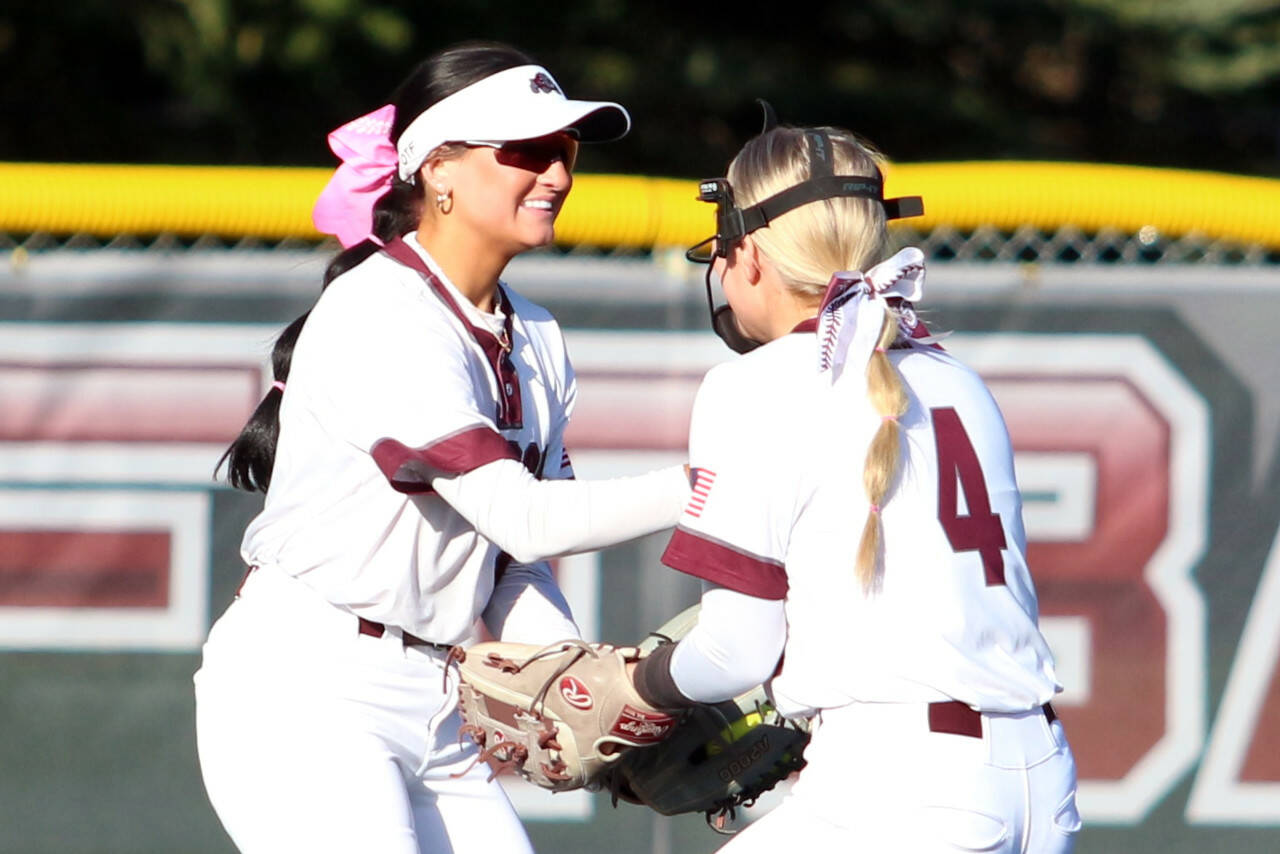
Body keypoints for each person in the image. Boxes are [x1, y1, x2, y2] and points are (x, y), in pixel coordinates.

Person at [194, 42, 690, 854]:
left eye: (566, 152)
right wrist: (709, 484)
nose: (558, 175)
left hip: (439, 691)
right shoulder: (382, 312)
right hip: (309, 683)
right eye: (527, 151)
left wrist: (576, 685)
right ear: (437, 170)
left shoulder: (535, 334)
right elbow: (526, 518)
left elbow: (513, 560)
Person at [629, 124, 1081, 852]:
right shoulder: (953, 375)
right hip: (1036, 782)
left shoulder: (754, 384)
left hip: (902, 784)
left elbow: (735, 651)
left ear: (747, 252)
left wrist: (634, 689)